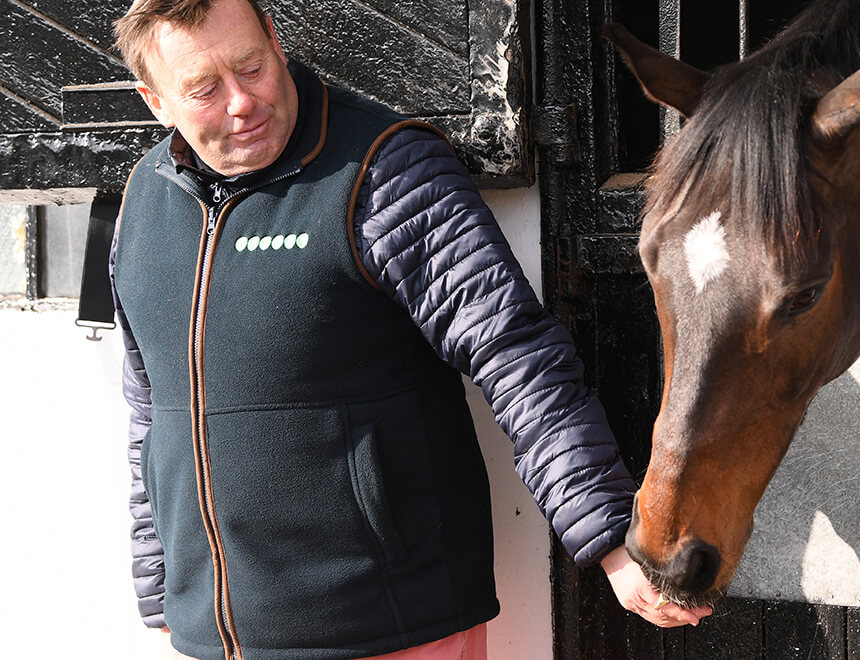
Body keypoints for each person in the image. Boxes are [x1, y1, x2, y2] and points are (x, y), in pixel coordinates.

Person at [108, 1, 710, 658]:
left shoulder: (383, 170)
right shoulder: (144, 201)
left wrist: (607, 537)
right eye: (204, 88)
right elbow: (151, 415)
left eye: (250, 66)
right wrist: (159, 586)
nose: (240, 102)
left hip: (387, 629)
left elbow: (513, 352)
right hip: (215, 639)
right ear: (155, 100)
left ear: (276, 42)